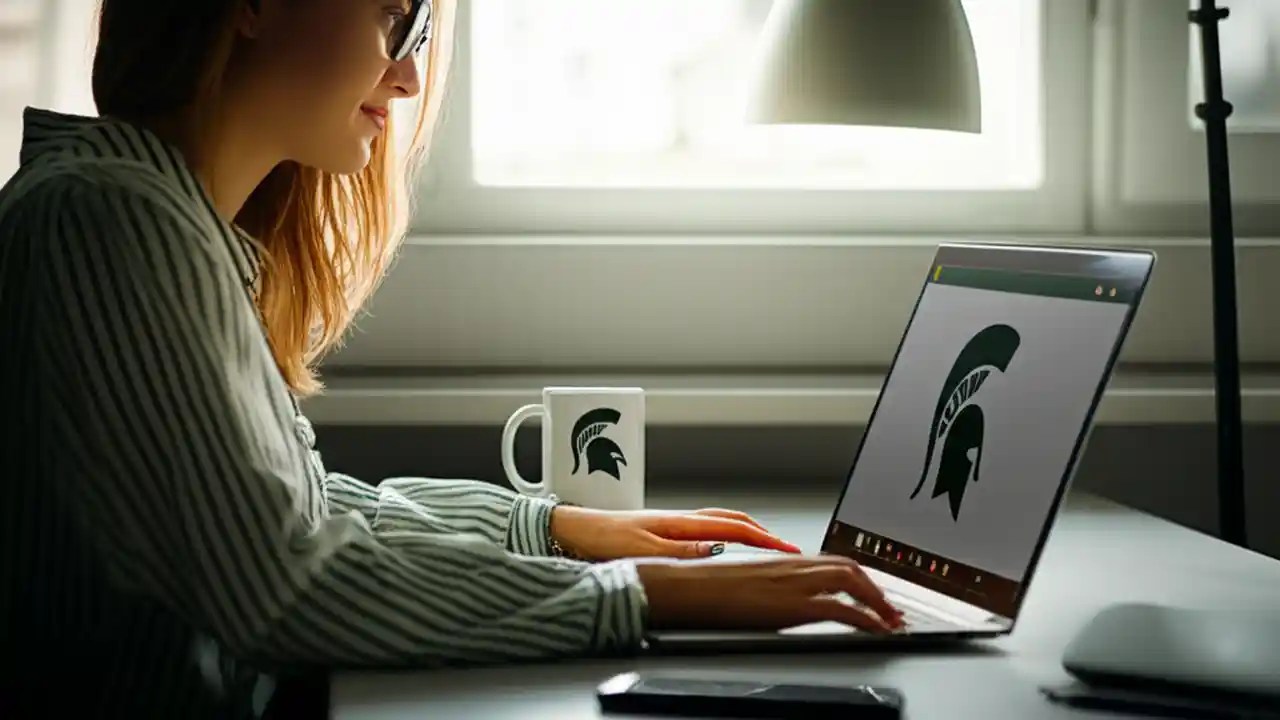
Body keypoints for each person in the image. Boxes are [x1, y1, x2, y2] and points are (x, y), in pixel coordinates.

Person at [0, 1, 903, 717]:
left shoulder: (152, 221)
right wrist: (638, 596)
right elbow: (286, 584)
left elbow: (294, 513)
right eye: (395, 17)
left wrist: (551, 531)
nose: (403, 76)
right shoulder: (105, 223)